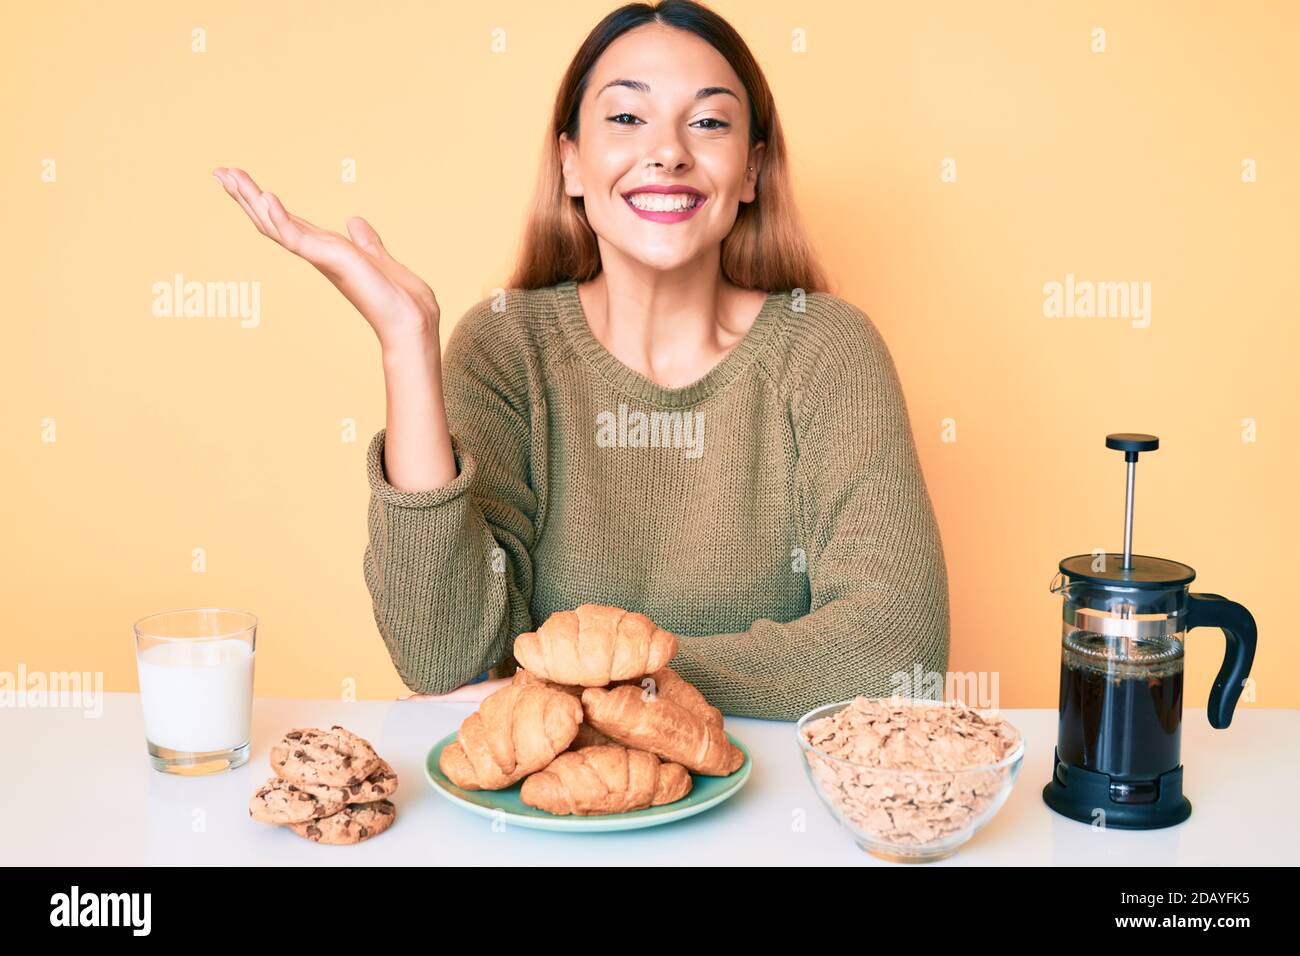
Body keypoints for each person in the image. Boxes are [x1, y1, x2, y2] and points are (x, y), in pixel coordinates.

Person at [212, 0, 950, 721]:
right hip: (547, 825)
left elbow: (893, 658)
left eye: (710, 121)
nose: (669, 150)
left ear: (751, 170)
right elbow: (442, 661)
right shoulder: (507, 350)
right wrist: (408, 346)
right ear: (570, 161)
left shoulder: (826, 350)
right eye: (627, 118)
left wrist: (589, 686)